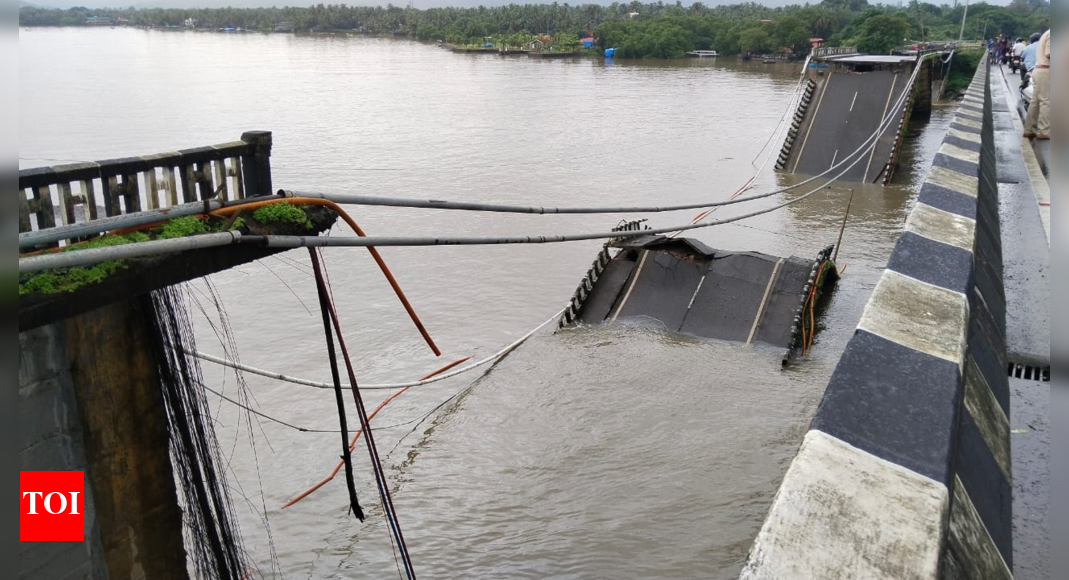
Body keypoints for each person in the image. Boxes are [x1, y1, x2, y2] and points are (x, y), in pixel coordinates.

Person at [1023, 29, 1050, 141]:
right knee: (1046, 101)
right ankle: (1043, 131)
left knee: (1036, 101)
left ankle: (1030, 130)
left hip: (1039, 70)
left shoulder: (1047, 33)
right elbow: (1050, 53)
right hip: (1047, 70)